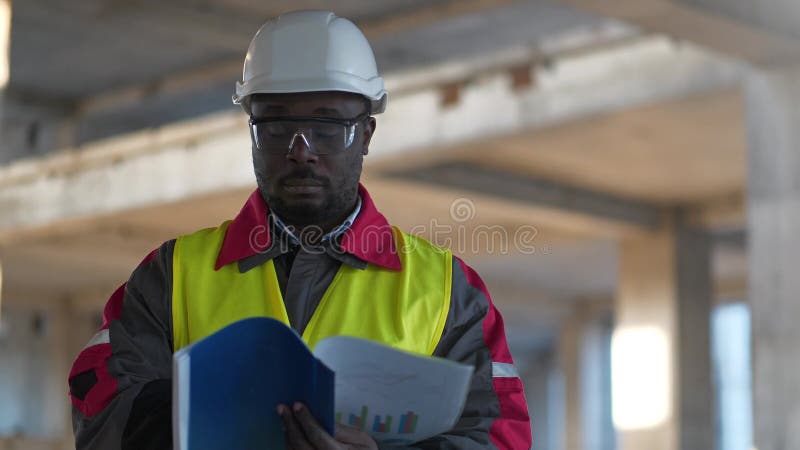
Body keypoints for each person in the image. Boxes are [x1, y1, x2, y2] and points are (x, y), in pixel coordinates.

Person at [68, 10, 531, 450]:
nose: (300, 150)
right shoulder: (171, 276)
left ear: (366, 134)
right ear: (251, 131)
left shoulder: (449, 293)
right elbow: (101, 404)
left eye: (328, 126)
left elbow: (500, 434)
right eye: (275, 125)